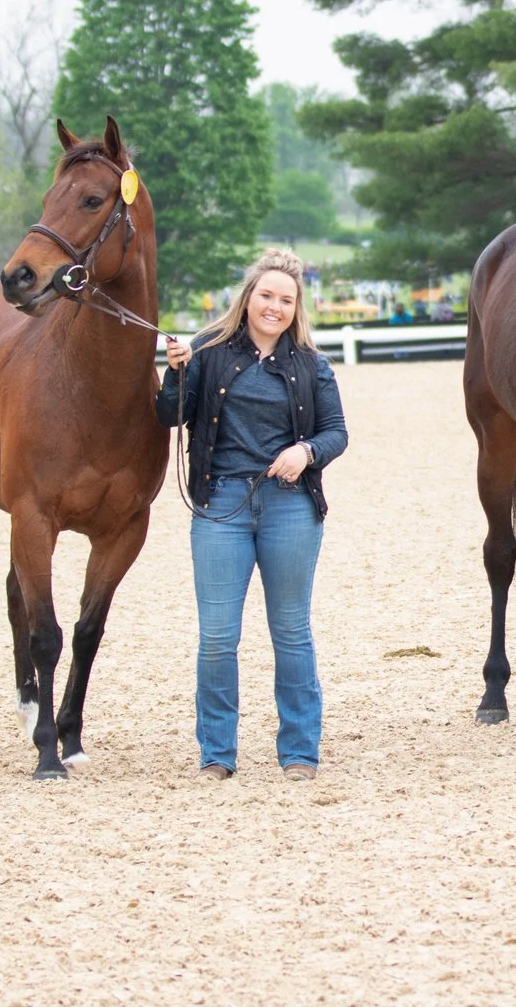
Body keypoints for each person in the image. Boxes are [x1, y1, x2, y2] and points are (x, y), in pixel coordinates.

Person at [158, 249, 350, 780]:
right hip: (221, 503)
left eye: (286, 300)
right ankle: (217, 754)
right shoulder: (206, 351)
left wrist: (305, 452)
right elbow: (165, 418)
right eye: (266, 295)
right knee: (218, 635)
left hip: (291, 505)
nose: (275, 307)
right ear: (247, 298)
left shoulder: (311, 364)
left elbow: (337, 432)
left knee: (291, 631)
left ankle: (299, 752)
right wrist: (174, 376)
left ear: (296, 308)